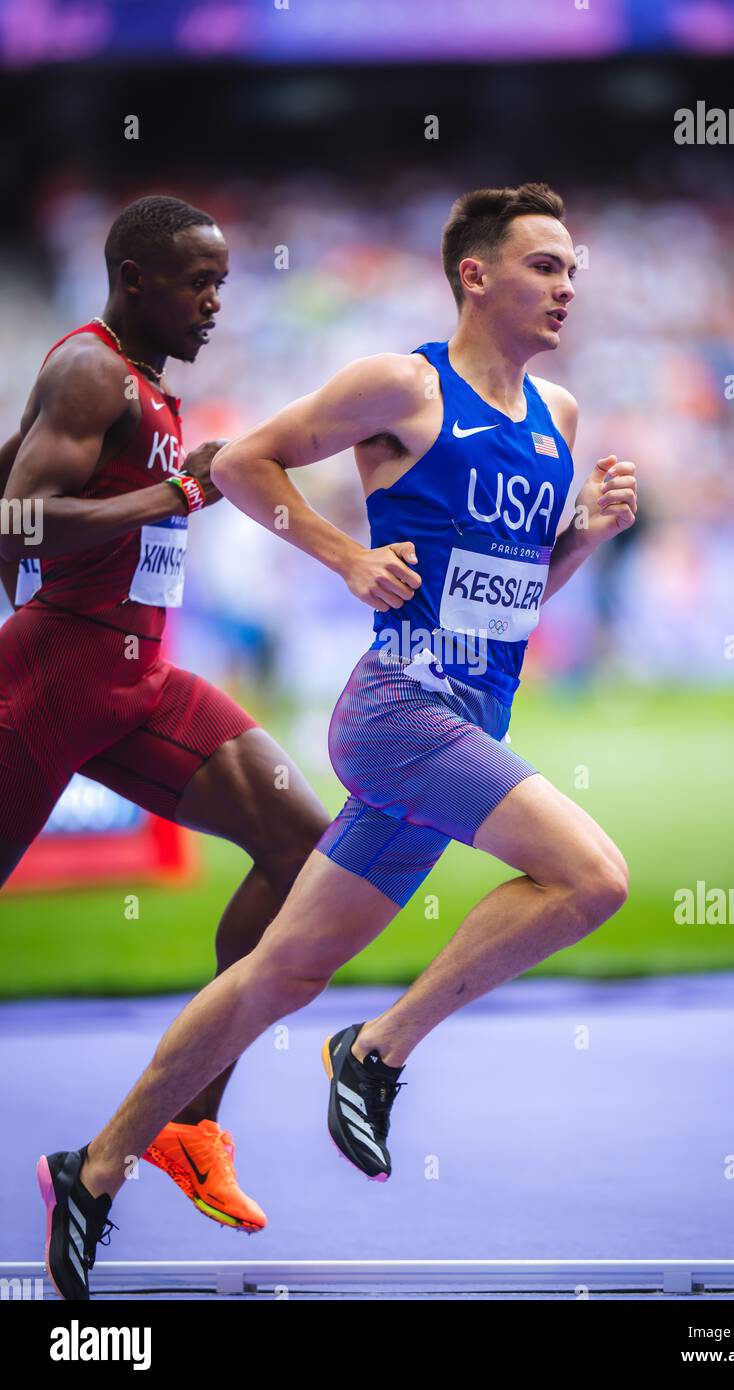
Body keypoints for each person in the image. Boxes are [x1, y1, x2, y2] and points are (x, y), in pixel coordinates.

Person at [36, 182, 636, 1299]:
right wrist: (343, 557)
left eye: (571, 270)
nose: (566, 286)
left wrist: (584, 540)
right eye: (544, 265)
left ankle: (95, 1164)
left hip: (467, 714)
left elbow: (512, 607)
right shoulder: (403, 385)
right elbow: (248, 462)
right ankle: (377, 1049)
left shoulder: (554, 414)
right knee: (591, 876)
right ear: (475, 274)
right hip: (398, 714)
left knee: (281, 971)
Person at [1, 194, 416, 1238]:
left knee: (304, 851)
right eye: (198, 280)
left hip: (141, 684)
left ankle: (189, 1121)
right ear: (134, 277)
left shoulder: (139, 387)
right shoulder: (90, 366)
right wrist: (174, 499)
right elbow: (20, 521)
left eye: (223, 281)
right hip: (50, 681)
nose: (216, 302)